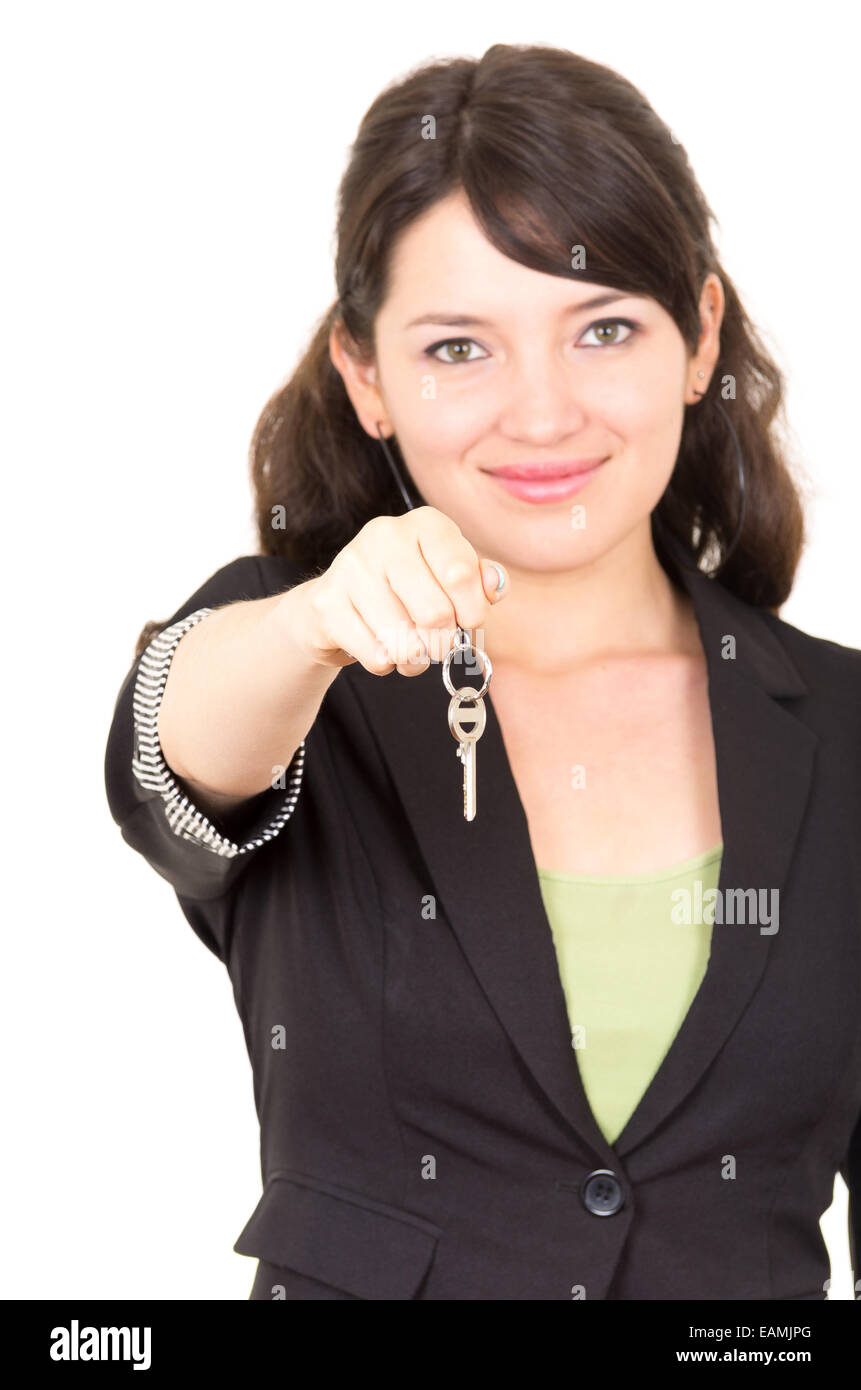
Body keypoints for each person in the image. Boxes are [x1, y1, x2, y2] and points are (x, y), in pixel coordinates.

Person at [104, 42, 861, 1300]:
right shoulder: (301, 665)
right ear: (368, 374)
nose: (545, 414)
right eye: (461, 348)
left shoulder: (844, 731)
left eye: (604, 328)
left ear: (699, 335)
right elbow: (176, 750)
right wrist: (317, 624)